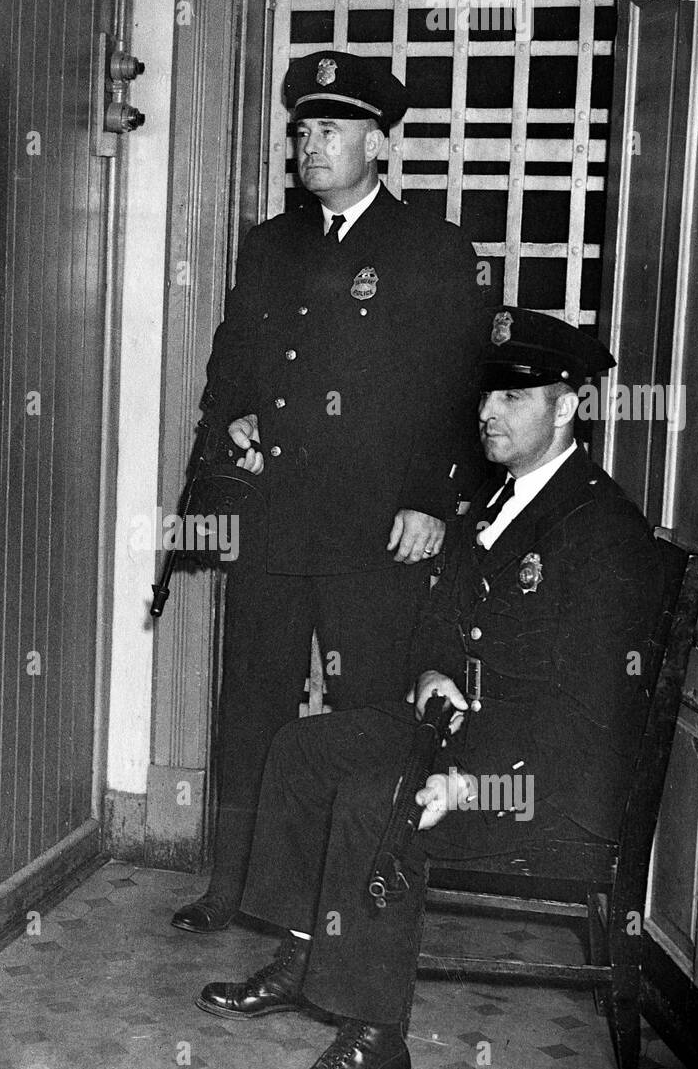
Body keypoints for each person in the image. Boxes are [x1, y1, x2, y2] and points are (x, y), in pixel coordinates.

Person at [195, 309, 666, 1069]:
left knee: (376, 797)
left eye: (514, 397)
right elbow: (442, 618)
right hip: (459, 729)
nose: (487, 412)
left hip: (535, 779)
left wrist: (476, 780)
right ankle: (304, 951)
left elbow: (595, 718)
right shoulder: (494, 500)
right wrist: (430, 673)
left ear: (568, 405)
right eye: (488, 394)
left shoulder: (601, 528)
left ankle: (377, 1035)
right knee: (303, 749)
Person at [172, 51, 488, 933]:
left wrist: (431, 498)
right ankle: (232, 888)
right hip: (272, 523)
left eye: (333, 129)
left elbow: (458, 389)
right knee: (252, 711)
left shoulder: (431, 249)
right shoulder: (270, 244)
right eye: (303, 130)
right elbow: (231, 360)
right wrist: (226, 429)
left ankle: (362, 897)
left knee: (366, 715)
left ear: (380, 141)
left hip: (376, 531)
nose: (311, 145)